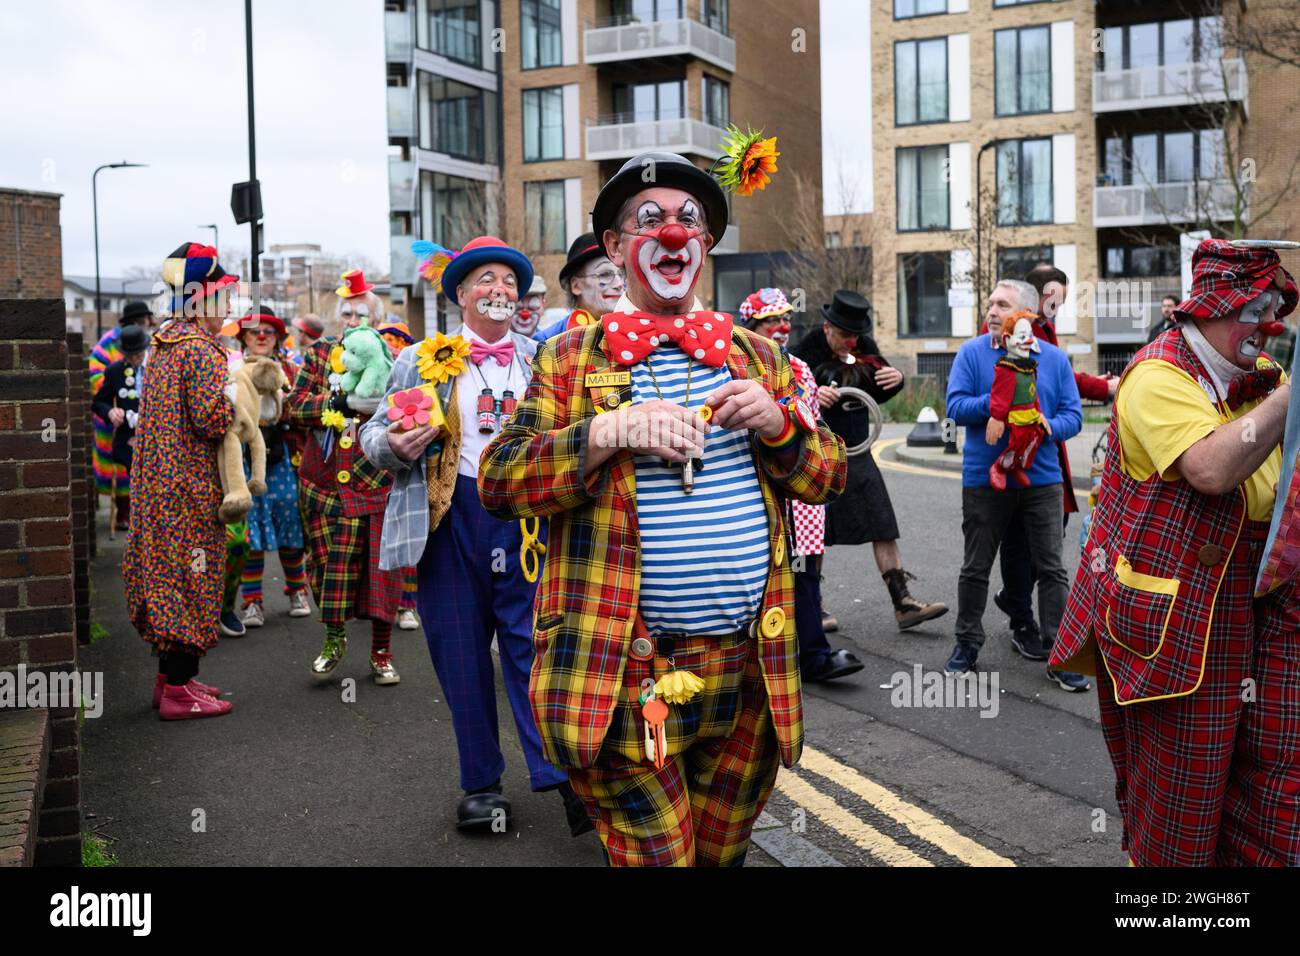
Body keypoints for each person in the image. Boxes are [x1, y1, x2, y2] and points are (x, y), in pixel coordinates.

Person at [478, 151, 847, 866]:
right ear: (615, 247)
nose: (674, 234)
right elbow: (500, 481)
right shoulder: (568, 359)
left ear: (706, 244)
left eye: (690, 221)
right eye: (651, 221)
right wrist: (603, 434)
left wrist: (779, 424)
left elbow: (828, 476)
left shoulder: (757, 357)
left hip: (748, 671)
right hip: (623, 674)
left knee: (720, 856)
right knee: (659, 859)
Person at [1052, 239, 1300, 866]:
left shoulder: (1259, 378)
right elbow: (1212, 470)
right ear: (1209, 311)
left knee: (1255, 804)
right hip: (1173, 639)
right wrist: (1293, 399)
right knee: (1176, 817)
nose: (1269, 325)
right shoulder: (1157, 374)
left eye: (1274, 309)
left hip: (1250, 622)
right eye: (1255, 309)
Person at [361, 235, 581, 834]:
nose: (500, 290)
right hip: (446, 520)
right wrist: (394, 446)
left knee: (535, 650)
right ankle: (482, 785)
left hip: (527, 521)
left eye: (510, 282)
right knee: (460, 655)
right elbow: (372, 437)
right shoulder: (422, 359)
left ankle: (561, 776)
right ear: (461, 294)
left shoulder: (545, 358)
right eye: (485, 280)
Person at [944, 281, 1083, 684]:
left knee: (1052, 568)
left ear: (1026, 315)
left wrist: (1045, 424)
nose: (990, 310)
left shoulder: (1054, 360)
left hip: (1042, 479)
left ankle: (1060, 652)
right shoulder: (972, 354)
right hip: (984, 480)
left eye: (1001, 304)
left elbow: (1073, 416)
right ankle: (966, 644)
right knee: (976, 566)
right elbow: (954, 407)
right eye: (989, 302)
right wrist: (1003, 403)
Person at [123, 242, 238, 719]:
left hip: (156, 486)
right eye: (224, 297)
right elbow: (211, 421)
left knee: (166, 575)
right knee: (191, 578)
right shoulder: (204, 352)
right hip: (188, 487)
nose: (230, 307)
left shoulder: (164, 342)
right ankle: (176, 691)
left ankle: (173, 680)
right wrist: (234, 397)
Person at [792, 290, 947, 632]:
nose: (851, 341)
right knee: (814, 534)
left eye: (855, 335)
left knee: (882, 524)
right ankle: (812, 606)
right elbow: (785, 393)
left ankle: (903, 602)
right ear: (827, 326)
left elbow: (879, 385)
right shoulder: (805, 350)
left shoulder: (863, 346)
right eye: (844, 335)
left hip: (858, 450)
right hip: (819, 453)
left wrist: (899, 380)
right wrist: (811, 391)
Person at [286, 270, 404, 686]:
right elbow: (294, 407)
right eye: (348, 315)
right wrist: (335, 401)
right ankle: (333, 639)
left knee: (381, 572)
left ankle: (381, 651)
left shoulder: (391, 357)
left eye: (361, 314)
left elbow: (406, 410)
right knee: (328, 570)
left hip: (375, 480)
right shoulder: (320, 356)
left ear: (375, 317)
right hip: (324, 485)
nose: (354, 322)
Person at [992, 266, 1113, 672]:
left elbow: (1064, 382)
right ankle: (1023, 620)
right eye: (1052, 298)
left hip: (1045, 456)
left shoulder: (1044, 327)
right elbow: (1068, 379)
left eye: (1062, 298)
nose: (1057, 306)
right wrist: (1103, 387)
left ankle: (1023, 609)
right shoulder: (1020, 331)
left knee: (1045, 546)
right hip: (1019, 459)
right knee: (1022, 546)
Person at [742, 288, 862, 683]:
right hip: (754, 493)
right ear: (751, 326)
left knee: (805, 575)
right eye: (771, 320)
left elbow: (812, 434)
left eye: (785, 319)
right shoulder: (733, 365)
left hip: (800, 494)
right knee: (757, 577)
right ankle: (757, 662)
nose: (781, 327)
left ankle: (813, 656)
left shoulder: (800, 368)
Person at [231, 307, 311, 629]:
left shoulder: (291, 370)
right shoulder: (233, 371)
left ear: (278, 338)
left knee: (289, 521)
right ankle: (252, 602)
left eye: (268, 332)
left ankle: (297, 591)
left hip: (283, 460)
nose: (261, 337)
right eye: (254, 332)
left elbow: (306, 409)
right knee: (250, 529)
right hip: (244, 461)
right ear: (244, 339)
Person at [90, 300, 153, 530]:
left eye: (137, 354)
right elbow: (99, 402)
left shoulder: (160, 366)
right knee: (134, 476)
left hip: (159, 435)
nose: (134, 359)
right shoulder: (115, 370)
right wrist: (110, 412)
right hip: (128, 438)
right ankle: (136, 518)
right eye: (129, 355)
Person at [374, 318, 420, 632]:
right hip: (371, 468)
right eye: (386, 338)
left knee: (412, 538)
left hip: (405, 467)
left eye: (397, 339)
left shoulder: (413, 366)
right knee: (387, 545)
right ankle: (385, 605)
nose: (391, 343)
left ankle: (407, 604)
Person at [534, 232, 626, 340]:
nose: (619, 284)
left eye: (621, 274)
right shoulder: (548, 341)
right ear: (576, 286)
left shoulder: (637, 335)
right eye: (605, 274)